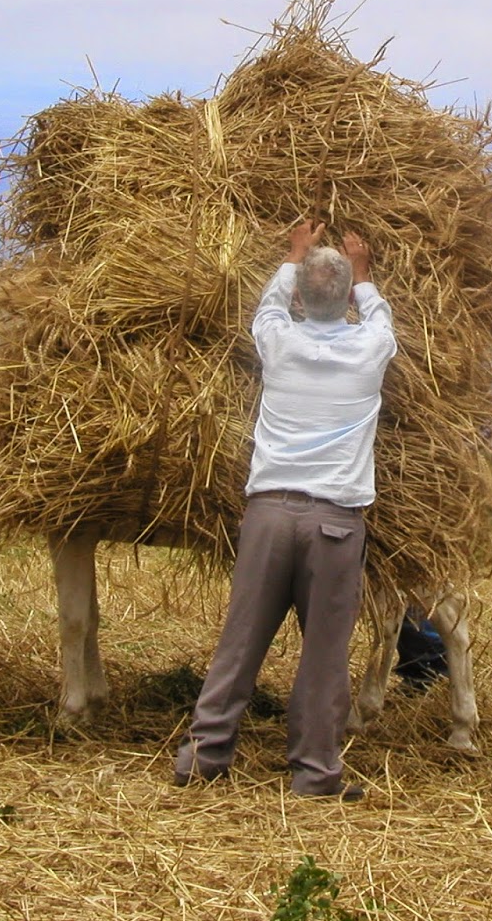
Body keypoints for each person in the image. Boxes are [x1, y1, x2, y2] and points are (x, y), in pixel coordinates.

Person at [174, 219, 396, 800]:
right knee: (324, 655)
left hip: (268, 516)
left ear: (299, 295)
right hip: (336, 526)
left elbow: (270, 305)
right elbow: (378, 316)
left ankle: (204, 755)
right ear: (346, 295)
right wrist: (363, 276)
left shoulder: (276, 339)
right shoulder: (373, 348)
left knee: (241, 638)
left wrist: (292, 255)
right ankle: (315, 774)